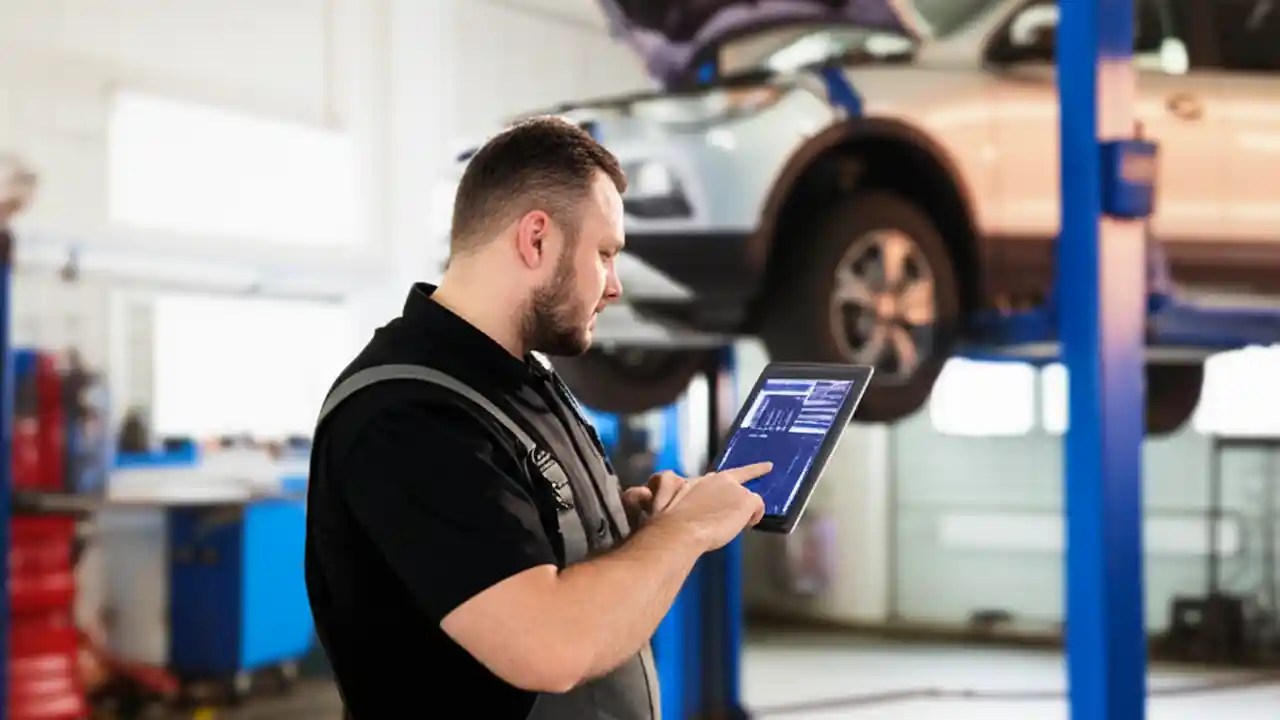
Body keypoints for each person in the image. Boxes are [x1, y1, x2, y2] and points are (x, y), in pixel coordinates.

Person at [304, 116, 771, 719]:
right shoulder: (406, 413)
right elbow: (549, 647)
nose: (615, 287)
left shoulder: (524, 383)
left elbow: (519, 542)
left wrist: (622, 525)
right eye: (605, 253)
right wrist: (686, 531)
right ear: (536, 240)